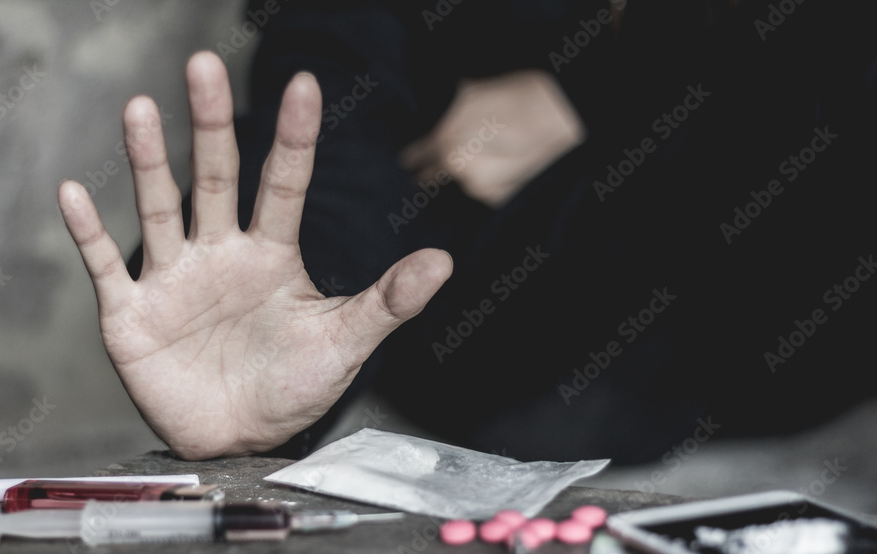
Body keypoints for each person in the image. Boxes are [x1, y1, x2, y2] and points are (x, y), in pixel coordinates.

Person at [59, 0, 877, 463]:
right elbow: (338, 145)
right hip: (526, 339)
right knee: (297, 164)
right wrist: (282, 339)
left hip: (797, 306)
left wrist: (593, 102)